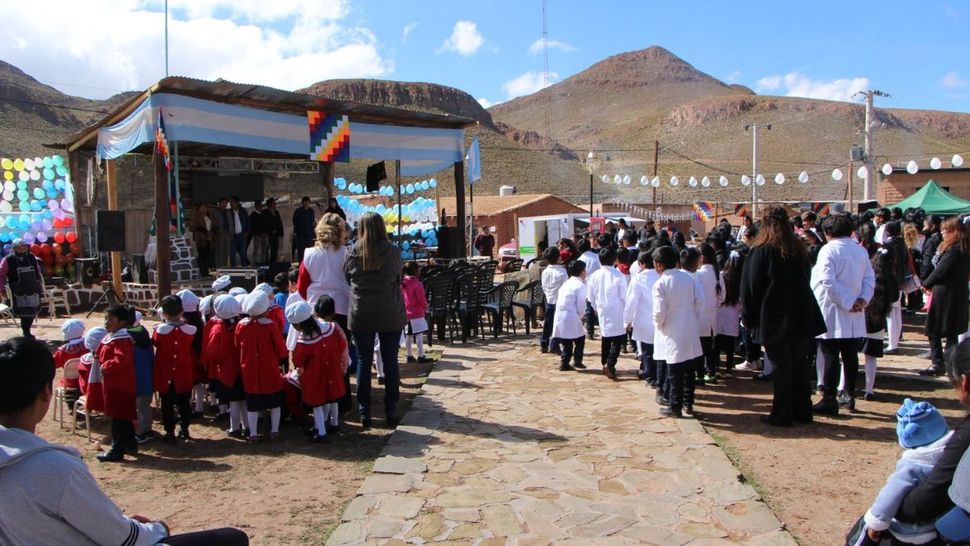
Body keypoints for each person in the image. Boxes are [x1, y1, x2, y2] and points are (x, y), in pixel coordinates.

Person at [0, 336, 250, 546]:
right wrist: (158, 528)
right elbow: (122, 539)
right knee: (232, 539)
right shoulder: (54, 468)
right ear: (46, 392)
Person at [740, 206, 826, 427]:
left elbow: (750, 286)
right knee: (799, 362)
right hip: (801, 312)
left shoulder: (761, 250)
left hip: (774, 315)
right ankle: (802, 410)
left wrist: (748, 316)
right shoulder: (798, 247)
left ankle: (782, 413)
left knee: (781, 365)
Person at [860, 400, 954, 545]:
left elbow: (891, 494)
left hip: (911, 530)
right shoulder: (952, 457)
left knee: (863, 528)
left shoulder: (912, 465)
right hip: (941, 526)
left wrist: (876, 521)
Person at [344, 211, 406, 429]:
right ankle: (391, 409)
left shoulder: (352, 253)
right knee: (390, 360)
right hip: (389, 310)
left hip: (362, 311)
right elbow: (398, 278)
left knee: (363, 360)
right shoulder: (394, 252)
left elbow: (347, 278)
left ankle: (365, 412)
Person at [811, 214, 874, 415]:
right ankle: (848, 394)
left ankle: (829, 397)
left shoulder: (828, 249)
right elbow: (869, 278)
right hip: (853, 307)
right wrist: (862, 299)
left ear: (828, 232)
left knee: (830, 353)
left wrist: (847, 302)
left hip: (833, 306)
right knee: (849, 354)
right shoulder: (860, 250)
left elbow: (827, 281)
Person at [652, 246, 703, 418]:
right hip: (689, 327)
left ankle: (675, 406)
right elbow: (700, 300)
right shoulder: (689, 278)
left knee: (674, 371)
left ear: (658, 265)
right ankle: (688, 403)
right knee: (689, 369)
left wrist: (659, 325)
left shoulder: (661, 283)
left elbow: (659, 311)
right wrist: (692, 316)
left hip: (672, 330)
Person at [288, 299, 348, 442]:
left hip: (314, 376)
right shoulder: (331, 328)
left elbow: (298, 361)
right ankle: (333, 423)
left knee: (317, 404)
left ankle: (321, 432)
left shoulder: (304, 341)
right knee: (331, 398)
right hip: (333, 370)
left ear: (298, 324)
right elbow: (342, 344)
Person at [921, 217, 970, 376]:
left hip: (946, 294)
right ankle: (950, 363)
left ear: (954, 232)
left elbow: (940, 271)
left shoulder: (955, 250)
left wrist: (926, 283)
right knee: (952, 332)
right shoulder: (964, 247)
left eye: (945, 230)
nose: (942, 233)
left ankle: (938, 363)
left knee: (934, 330)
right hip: (957, 292)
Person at [236, 291, 287, 443]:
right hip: (269, 368)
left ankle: (253, 433)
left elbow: (237, 344)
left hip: (249, 369)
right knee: (275, 402)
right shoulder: (271, 326)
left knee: (252, 403)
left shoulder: (241, 325)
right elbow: (280, 348)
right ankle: (274, 430)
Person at [95, 304, 139, 462]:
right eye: (106, 319)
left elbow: (122, 360)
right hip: (116, 384)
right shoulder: (114, 337)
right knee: (123, 417)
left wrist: (105, 367)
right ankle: (130, 444)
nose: (106, 322)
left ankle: (116, 450)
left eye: (111, 319)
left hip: (120, 385)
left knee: (119, 419)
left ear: (122, 323)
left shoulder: (121, 340)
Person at [152, 295, 197, 444]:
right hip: (183, 373)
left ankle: (169, 431)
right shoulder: (190, 330)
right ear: (182, 311)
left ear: (163, 313)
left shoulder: (160, 330)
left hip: (165, 373)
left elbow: (156, 342)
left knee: (167, 404)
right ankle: (184, 428)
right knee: (184, 403)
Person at [858, 245, 898, 402]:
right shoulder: (891, 277)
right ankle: (869, 390)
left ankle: (842, 387)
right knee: (871, 358)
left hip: (859, 318)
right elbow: (895, 298)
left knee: (850, 355)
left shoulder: (865, 273)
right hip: (877, 321)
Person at [204, 295, 246, 437]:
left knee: (233, 400)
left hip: (227, 369)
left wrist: (218, 360)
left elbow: (212, 352)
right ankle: (247, 426)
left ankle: (235, 428)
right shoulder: (242, 325)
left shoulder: (218, 329)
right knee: (243, 400)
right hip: (243, 367)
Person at [298, 213, 351, 324]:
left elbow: (302, 287)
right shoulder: (348, 254)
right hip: (342, 308)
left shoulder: (309, 254)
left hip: (316, 308)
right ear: (340, 232)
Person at [586, 246, 628, 380]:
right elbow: (625, 297)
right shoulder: (619, 275)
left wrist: (595, 308)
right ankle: (610, 363)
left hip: (602, 311)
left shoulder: (594, 276)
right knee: (617, 340)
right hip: (617, 311)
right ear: (615, 260)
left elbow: (590, 296)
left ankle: (605, 362)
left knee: (606, 337)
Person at [624, 250, 660, 385]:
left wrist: (627, 320)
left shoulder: (638, 279)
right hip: (661, 319)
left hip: (644, 319)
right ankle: (659, 377)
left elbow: (631, 302)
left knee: (647, 350)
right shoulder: (661, 275)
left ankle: (650, 377)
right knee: (659, 350)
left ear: (640, 264)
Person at [0, 238, 43, 338]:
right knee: (24, 313)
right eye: (20, 248)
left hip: (32, 289)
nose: (23, 249)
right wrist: (2, 289)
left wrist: (39, 285)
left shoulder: (31, 257)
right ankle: (26, 332)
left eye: (24, 247)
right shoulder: (8, 259)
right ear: (15, 248)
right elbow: (1, 275)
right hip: (18, 290)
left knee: (32, 311)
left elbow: (38, 271)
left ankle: (27, 332)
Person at [551, 260, 588, 371]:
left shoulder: (566, 284)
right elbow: (581, 304)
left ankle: (564, 362)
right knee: (579, 339)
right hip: (572, 315)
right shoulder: (580, 285)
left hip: (561, 314)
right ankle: (577, 360)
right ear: (582, 272)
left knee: (567, 341)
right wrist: (581, 315)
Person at [695, 244, 723, 383]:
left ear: (701, 258)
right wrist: (715, 305)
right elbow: (722, 295)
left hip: (701, 317)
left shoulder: (698, 274)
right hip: (712, 316)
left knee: (701, 347)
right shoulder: (717, 273)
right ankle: (711, 372)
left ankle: (701, 374)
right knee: (709, 347)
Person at [128, 312, 156, 443]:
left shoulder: (131, 344)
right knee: (145, 406)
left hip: (136, 380)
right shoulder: (146, 339)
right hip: (148, 379)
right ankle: (148, 430)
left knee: (137, 408)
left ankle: (139, 433)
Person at [715, 251, 743, 376]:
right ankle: (729, 369)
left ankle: (715, 367)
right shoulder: (740, 278)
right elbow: (741, 299)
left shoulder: (721, 275)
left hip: (720, 311)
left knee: (717, 341)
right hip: (733, 313)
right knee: (730, 344)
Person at [52, 319, 86, 414]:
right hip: (85, 379)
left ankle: (71, 406)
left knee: (66, 381)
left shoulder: (62, 350)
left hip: (70, 382)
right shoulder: (88, 345)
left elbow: (55, 364)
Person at [401, 261, 432, 363]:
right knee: (419, 335)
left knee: (408, 335)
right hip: (417, 313)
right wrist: (426, 305)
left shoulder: (403, 283)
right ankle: (421, 355)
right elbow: (421, 298)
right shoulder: (418, 284)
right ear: (415, 271)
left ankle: (409, 355)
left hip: (406, 313)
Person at [540, 247, 566, 355]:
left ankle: (544, 344)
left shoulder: (545, 272)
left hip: (549, 300)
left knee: (548, 323)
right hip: (559, 301)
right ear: (559, 258)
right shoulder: (562, 271)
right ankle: (556, 344)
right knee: (559, 324)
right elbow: (565, 287)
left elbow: (544, 286)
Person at [292, 196, 316, 263]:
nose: (306, 203)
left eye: (307, 202)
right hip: (301, 233)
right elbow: (294, 221)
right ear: (302, 203)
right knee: (301, 249)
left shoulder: (311, 210)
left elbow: (312, 221)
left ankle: (309, 263)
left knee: (309, 249)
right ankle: (301, 263)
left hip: (309, 233)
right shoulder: (298, 211)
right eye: (305, 202)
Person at [249, 200, 269, 265]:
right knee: (256, 249)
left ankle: (263, 262)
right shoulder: (253, 214)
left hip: (265, 235)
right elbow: (253, 226)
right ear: (256, 206)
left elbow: (266, 223)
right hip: (257, 235)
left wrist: (266, 232)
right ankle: (255, 263)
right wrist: (258, 233)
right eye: (259, 206)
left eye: (261, 206)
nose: (261, 207)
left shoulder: (264, 214)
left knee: (264, 250)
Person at [264, 198, 284, 264]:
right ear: (269, 204)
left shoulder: (276, 212)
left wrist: (281, 232)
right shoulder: (265, 212)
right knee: (266, 249)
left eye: (275, 203)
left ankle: (273, 262)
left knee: (275, 249)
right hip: (268, 234)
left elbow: (279, 222)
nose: (275, 205)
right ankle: (266, 263)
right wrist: (269, 231)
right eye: (273, 203)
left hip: (276, 234)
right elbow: (265, 223)